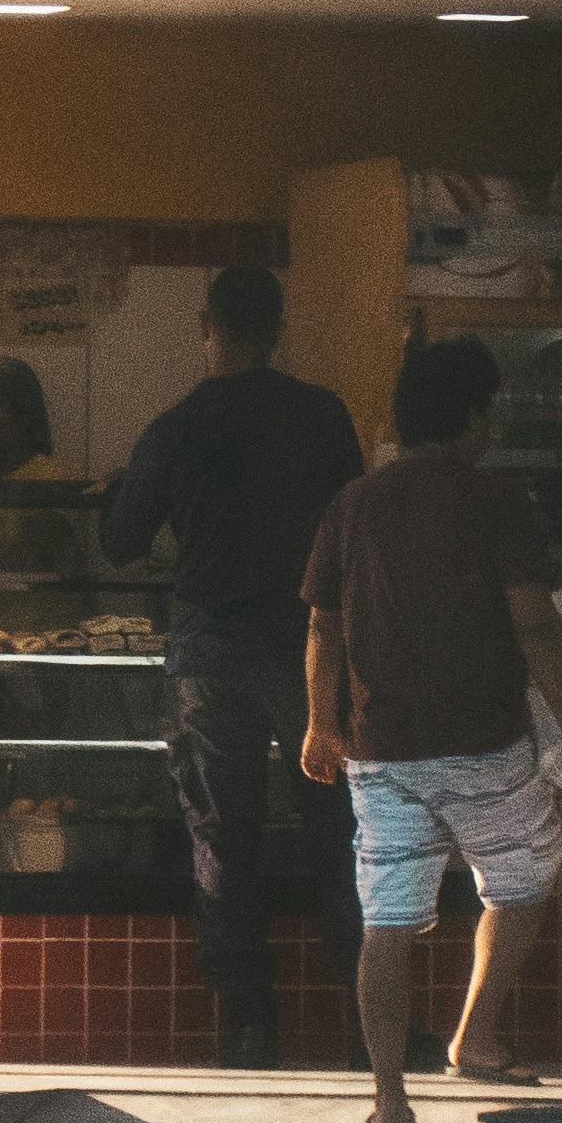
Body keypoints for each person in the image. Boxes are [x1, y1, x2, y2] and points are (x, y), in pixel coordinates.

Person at [301, 335, 562, 1123]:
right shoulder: (494, 499)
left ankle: (390, 1101)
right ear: (474, 415)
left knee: (387, 921)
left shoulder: (353, 503)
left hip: (379, 752)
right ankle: (475, 1034)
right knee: (523, 875)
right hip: (481, 744)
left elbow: (324, 628)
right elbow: (537, 626)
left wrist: (321, 723)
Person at [100, 263, 367, 1068]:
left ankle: (249, 1025)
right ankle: (366, 1024)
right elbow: (353, 526)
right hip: (309, 649)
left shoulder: (176, 425)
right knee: (339, 833)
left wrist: (124, 494)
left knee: (224, 837)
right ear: (278, 327)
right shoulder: (322, 416)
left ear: (204, 324)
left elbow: (119, 543)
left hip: (211, 655)